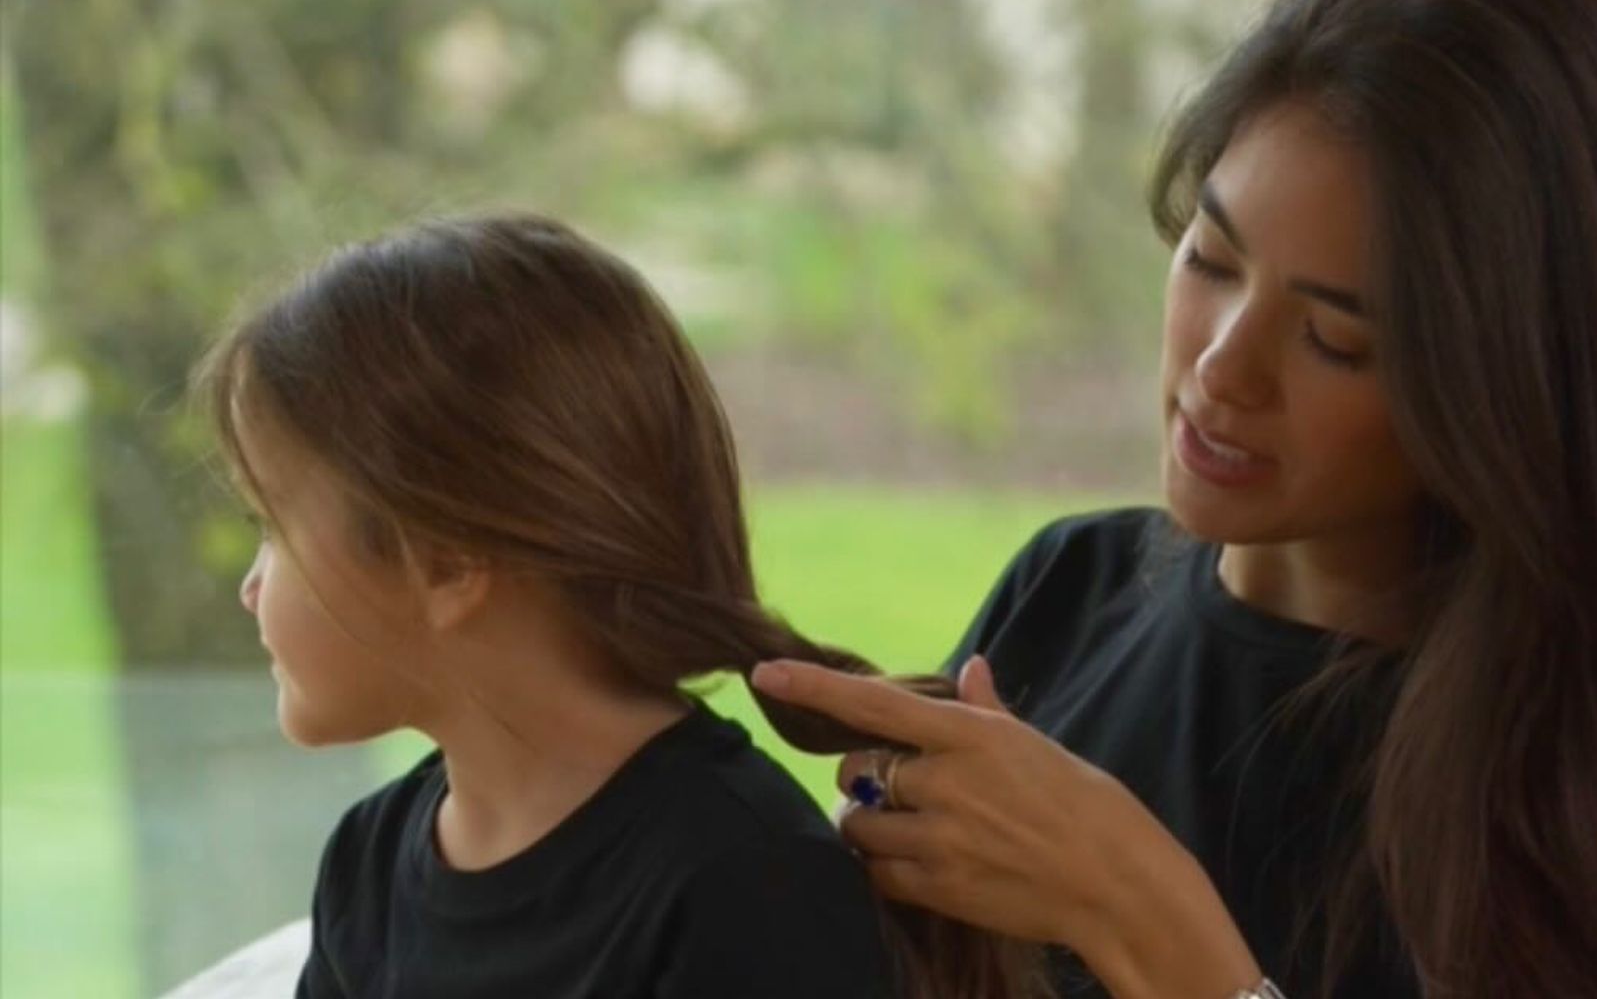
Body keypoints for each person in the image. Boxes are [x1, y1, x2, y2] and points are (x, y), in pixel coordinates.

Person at [748, 0, 1597, 999]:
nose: (1225, 368)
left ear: (1511, 390)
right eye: (1212, 258)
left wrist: (1148, 920)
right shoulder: (1068, 594)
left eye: (1337, 340)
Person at [194, 215, 1047, 998]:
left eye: (271, 524)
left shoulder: (744, 894)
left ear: (450, 563)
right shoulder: (370, 865)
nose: (252, 585)